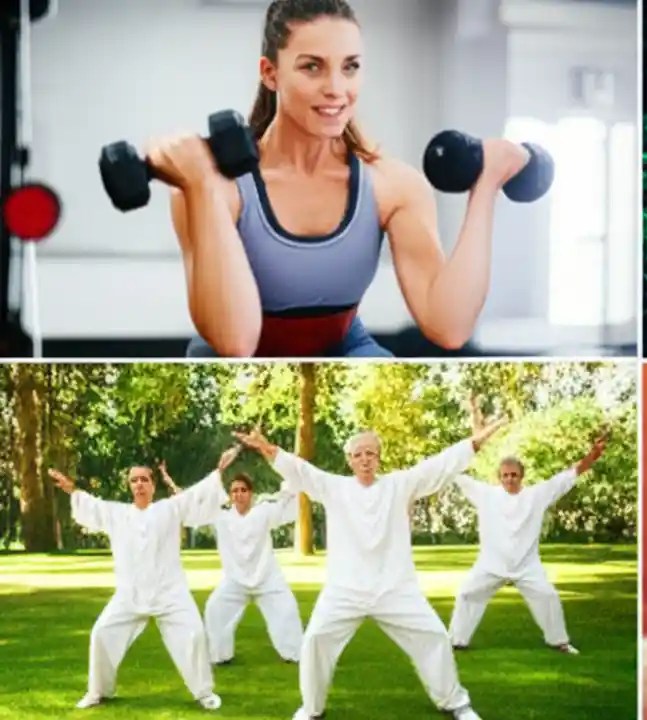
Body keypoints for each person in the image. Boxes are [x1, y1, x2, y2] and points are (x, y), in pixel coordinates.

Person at [147, 0, 532, 358]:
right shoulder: (215, 188)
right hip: (234, 363)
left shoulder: (394, 186)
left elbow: (449, 327)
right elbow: (236, 343)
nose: (336, 88)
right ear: (270, 74)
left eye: (350, 67)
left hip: (343, 350)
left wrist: (486, 186)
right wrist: (200, 185)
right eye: (312, 66)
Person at [232, 410, 507, 720]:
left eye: (371, 454)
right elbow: (300, 470)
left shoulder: (400, 484)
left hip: (396, 588)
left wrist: (477, 440)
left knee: (434, 636)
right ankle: (311, 710)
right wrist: (266, 447)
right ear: (350, 459)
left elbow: (440, 465)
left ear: (378, 458)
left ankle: (456, 704)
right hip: (344, 591)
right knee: (315, 641)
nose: (365, 459)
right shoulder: (334, 487)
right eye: (359, 454)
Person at [48, 447, 242, 712]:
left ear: (152, 486)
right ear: (130, 486)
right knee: (102, 633)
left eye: (144, 479)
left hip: (170, 592)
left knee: (194, 634)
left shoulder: (169, 509)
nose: (139, 484)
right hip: (130, 594)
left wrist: (219, 470)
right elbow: (92, 507)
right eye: (134, 480)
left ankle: (204, 692)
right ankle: (98, 691)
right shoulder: (117, 513)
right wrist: (71, 489)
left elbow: (197, 495)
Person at [448, 417, 609, 655]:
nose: (509, 479)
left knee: (548, 596)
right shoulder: (486, 495)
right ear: (499, 477)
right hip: (490, 565)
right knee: (466, 594)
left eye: (514, 475)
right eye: (505, 475)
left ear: (521, 476)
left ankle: (559, 642)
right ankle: (456, 641)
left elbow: (568, 476)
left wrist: (593, 456)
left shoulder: (536, 495)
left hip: (527, 566)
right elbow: (455, 475)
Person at [204, 472, 305, 666]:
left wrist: (290, 485)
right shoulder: (222, 518)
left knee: (287, 610)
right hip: (234, 581)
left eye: (243, 490)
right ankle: (220, 655)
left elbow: (286, 507)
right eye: (234, 491)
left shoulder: (263, 512)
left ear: (250, 493)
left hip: (267, 578)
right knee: (214, 609)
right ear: (230, 495)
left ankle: (294, 653)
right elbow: (195, 506)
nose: (239, 494)